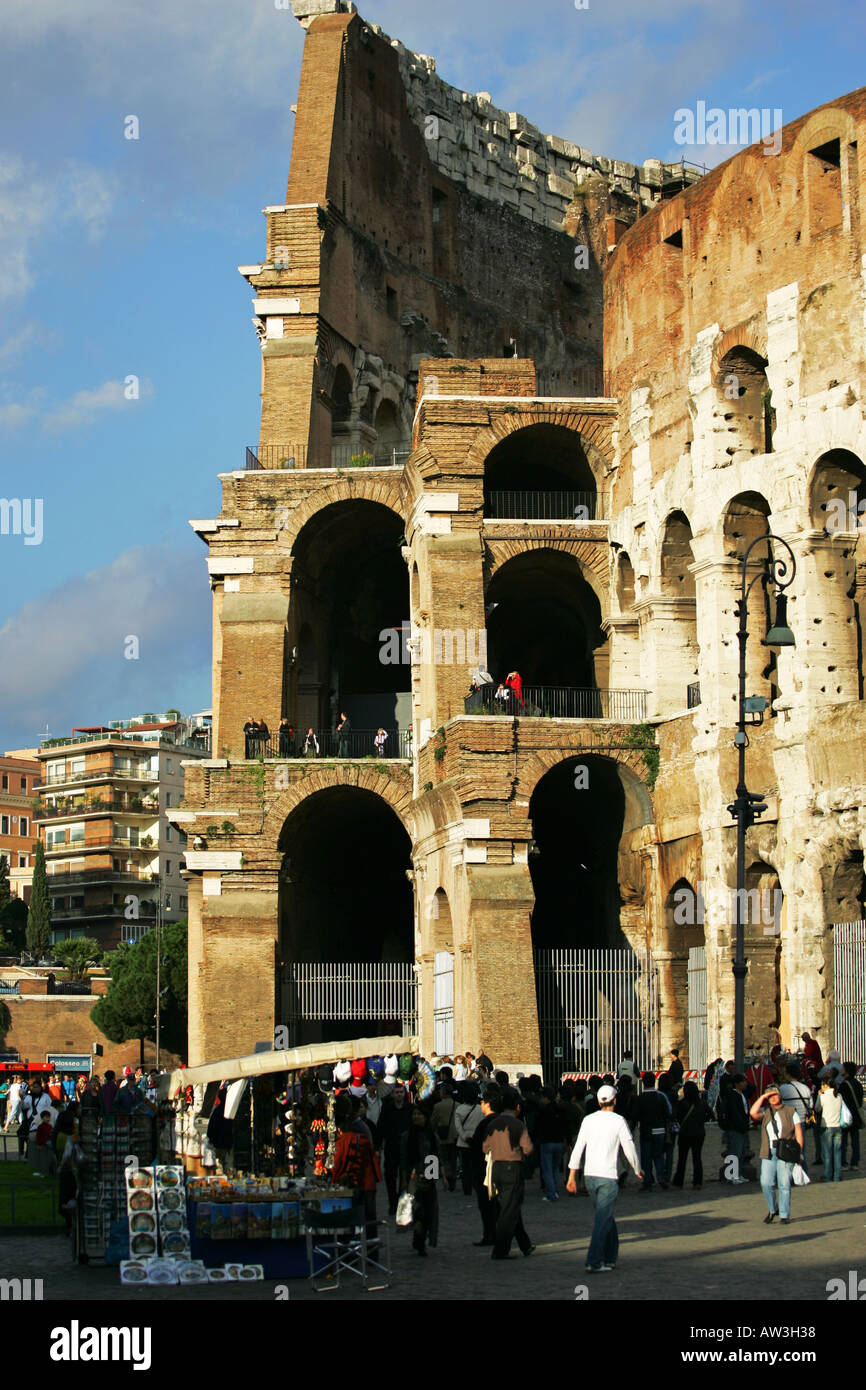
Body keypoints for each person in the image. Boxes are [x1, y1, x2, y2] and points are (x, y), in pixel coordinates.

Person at [566, 1083, 642, 1273]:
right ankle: (594, 1260)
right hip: (608, 1176)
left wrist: (572, 1175)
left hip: (590, 1175)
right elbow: (629, 1146)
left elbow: (578, 1149)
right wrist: (637, 1167)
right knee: (603, 1219)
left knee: (605, 1216)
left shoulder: (588, 1120)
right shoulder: (618, 1121)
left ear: (599, 1101)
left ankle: (610, 1257)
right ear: (615, 1101)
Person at [482, 1087, 535, 1259]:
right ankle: (501, 1250)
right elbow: (527, 1148)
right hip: (513, 1167)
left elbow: (485, 1147)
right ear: (517, 1107)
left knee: (509, 1206)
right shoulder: (518, 1124)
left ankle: (525, 1244)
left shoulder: (492, 1124)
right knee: (508, 1210)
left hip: (496, 1167)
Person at [750, 1085, 804, 1225]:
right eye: (770, 1096)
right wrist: (762, 1097)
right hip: (768, 1151)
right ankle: (773, 1209)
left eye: (775, 1095)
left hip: (786, 1151)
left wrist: (799, 1151)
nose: (773, 1098)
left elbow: (798, 1132)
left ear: (780, 1095)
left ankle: (784, 1214)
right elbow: (753, 1113)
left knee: (784, 1183)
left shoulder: (790, 1111)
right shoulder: (766, 1112)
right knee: (766, 1182)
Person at [406, 1105, 438, 1256]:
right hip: (414, 1177)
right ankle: (419, 1241)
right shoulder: (408, 1135)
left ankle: (422, 1239)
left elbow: (435, 1154)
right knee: (419, 1211)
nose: (416, 1117)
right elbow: (403, 1160)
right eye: (414, 1114)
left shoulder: (431, 1134)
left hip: (429, 1176)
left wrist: (440, 1176)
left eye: (419, 1114)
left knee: (429, 1210)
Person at [378, 1083, 412, 1214]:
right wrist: (378, 1147)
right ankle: (392, 1202)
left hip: (406, 1149)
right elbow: (381, 1127)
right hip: (391, 1147)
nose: (399, 1094)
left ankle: (401, 1201)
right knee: (390, 1176)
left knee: (405, 1177)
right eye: (396, 1092)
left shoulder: (409, 1108)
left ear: (404, 1094)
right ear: (392, 1094)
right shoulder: (387, 1109)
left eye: (401, 1092)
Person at [671, 1080, 710, 1189]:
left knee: (682, 1158)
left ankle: (679, 1181)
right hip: (699, 1133)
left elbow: (676, 1116)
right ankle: (697, 1181)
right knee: (697, 1158)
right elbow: (710, 1114)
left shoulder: (681, 1103)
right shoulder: (702, 1103)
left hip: (685, 1133)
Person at [777, 1061, 814, 1175]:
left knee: (787, 1148)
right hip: (802, 1120)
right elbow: (810, 1105)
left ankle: (790, 1173)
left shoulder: (783, 1089)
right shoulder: (805, 1088)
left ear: (788, 1075)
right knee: (800, 1148)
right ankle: (803, 1172)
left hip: (787, 1121)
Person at [636, 1072, 670, 1191]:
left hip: (646, 1130)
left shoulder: (640, 1098)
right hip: (660, 1130)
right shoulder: (660, 1097)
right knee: (658, 1155)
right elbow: (668, 1113)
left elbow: (637, 1116)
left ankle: (647, 1181)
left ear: (643, 1083)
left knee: (646, 1157)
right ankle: (661, 1176)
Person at [534, 1086, 567, 1201]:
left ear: (545, 1098)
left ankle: (551, 1193)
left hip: (546, 1141)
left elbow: (537, 1127)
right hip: (558, 1141)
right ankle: (555, 1190)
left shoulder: (543, 1110)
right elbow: (564, 1126)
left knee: (547, 1169)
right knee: (555, 1168)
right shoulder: (560, 1109)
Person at [455, 1081, 483, 1196]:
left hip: (464, 1142)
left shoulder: (460, 1109)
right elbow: (482, 1125)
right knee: (477, 1166)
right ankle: (477, 1185)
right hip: (477, 1141)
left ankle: (467, 1188)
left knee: (465, 1167)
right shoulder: (480, 1109)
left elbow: (458, 1127)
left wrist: (465, 1137)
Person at [721, 1073, 751, 1182]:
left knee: (741, 1153)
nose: (745, 1083)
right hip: (736, 1128)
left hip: (741, 1127)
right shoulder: (733, 1096)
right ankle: (731, 1175)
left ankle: (737, 1174)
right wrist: (742, 1126)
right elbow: (735, 1114)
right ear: (737, 1084)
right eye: (743, 1081)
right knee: (734, 1152)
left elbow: (752, 1088)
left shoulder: (741, 1094)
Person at [815, 1078, 846, 1181]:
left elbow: (817, 1108)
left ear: (825, 1085)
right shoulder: (839, 1095)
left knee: (827, 1154)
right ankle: (837, 1175)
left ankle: (828, 1175)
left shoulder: (823, 1096)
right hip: (838, 1126)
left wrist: (819, 1095)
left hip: (827, 1127)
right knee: (837, 1153)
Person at [431, 1084, 458, 1192]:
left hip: (443, 1136)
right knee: (454, 1159)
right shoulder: (458, 1105)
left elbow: (433, 1122)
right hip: (455, 1136)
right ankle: (453, 1180)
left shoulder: (438, 1106)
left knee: (444, 1158)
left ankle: (448, 1177)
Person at [838, 1062, 863, 1171]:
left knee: (843, 1142)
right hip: (856, 1115)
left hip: (845, 1115)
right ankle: (855, 1162)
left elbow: (840, 1100)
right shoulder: (858, 1084)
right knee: (855, 1141)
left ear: (846, 1070)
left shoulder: (844, 1084)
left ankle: (843, 1162)